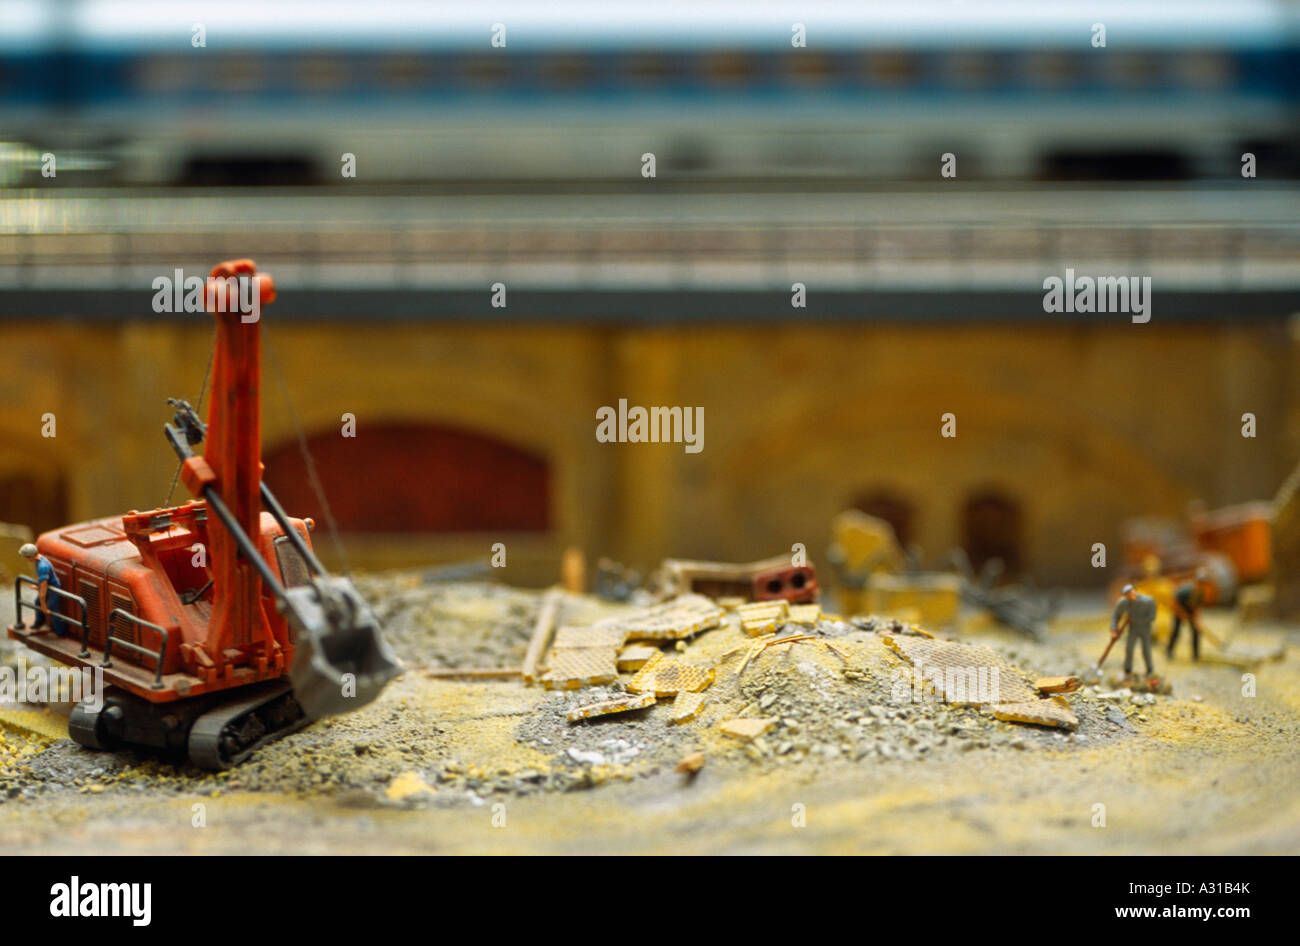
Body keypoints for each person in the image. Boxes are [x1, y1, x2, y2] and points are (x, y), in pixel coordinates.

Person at [1109, 583, 1157, 678]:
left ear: (1135, 590)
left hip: (1145, 629)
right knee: (1129, 648)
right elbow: (1116, 615)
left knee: (1146, 649)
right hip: (1133, 629)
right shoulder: (1123, 602)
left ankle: (1149, 670)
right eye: (1127, 594)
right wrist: (1113, 628)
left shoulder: (1148, 601)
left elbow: (1152, 617)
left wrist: (1135, 620)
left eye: (1131, 592)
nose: (1130, 595)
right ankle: (1128, 670)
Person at [18, 543, 66, 637]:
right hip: (47, 586)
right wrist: (38, 587)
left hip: (53, 588)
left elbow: (43, 592)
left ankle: (61, 632)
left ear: (29, 557)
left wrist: (44, 607)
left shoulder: (42, 567)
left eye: (25, 557)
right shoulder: (38, 560)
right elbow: (43, 584)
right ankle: (39, 622)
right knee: (37, 602)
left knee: (52, 608)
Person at [1168, 569, 1210, 661]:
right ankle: (1169, 652)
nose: (1202, 585)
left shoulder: (1200, 593)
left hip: (1190, 611)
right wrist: (1182, 614)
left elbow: (1197, 608)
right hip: (1179, 609)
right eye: (1201, 582)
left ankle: (1195, 655)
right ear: (1197, 581)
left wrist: (1198, 621)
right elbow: (1174, 603)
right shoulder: (1186, 590)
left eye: (1204, 583)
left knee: (1195, 632)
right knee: (1176, 632)